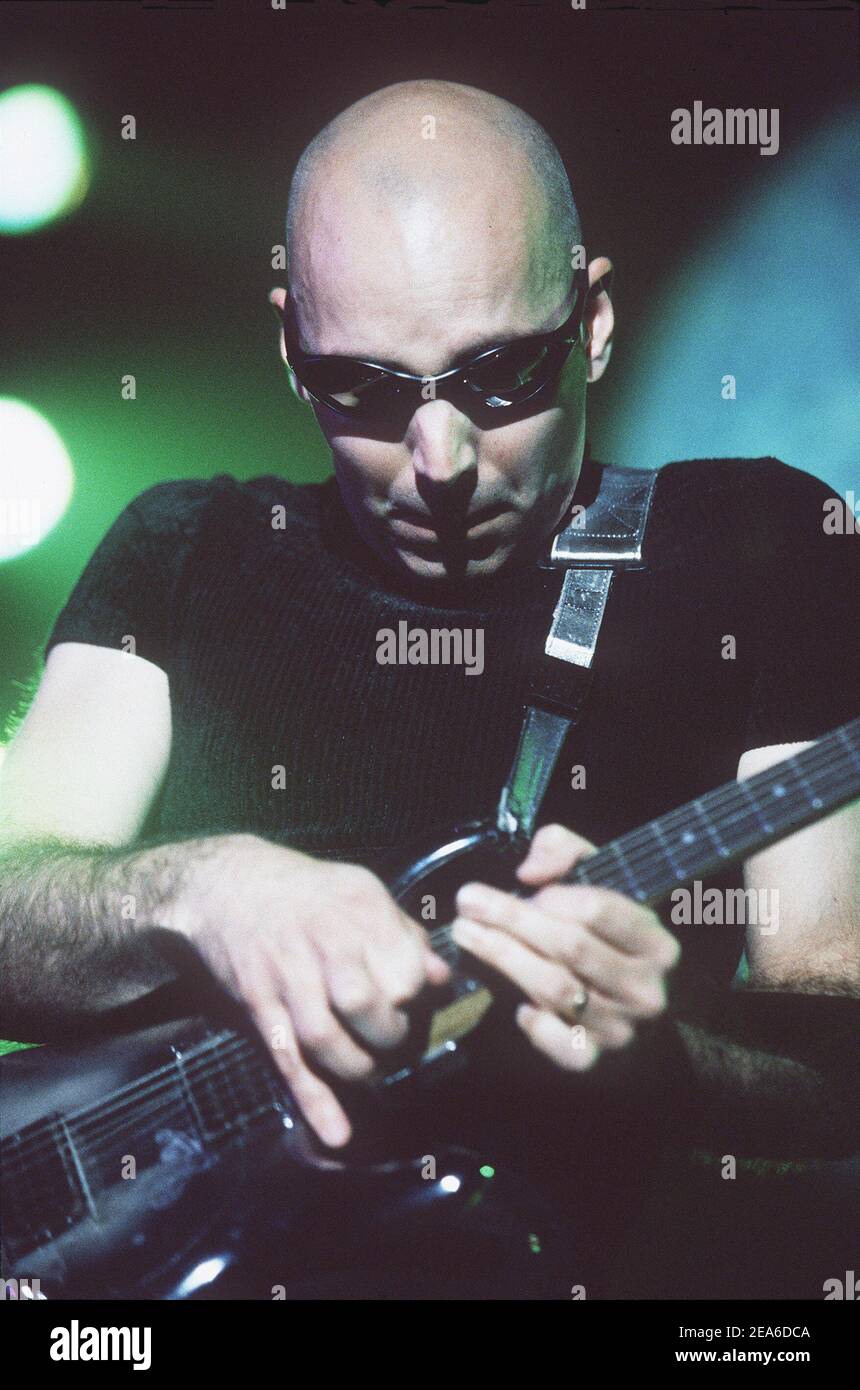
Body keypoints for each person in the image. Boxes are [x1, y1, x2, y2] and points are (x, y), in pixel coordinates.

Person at [1, 79, 857, 1297]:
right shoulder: (186, 545)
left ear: (592, 321)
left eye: (499, 375)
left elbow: (841, 1040)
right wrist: (203, 890)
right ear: (288, 344)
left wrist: (664, 1061)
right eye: (363, 388)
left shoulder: (757, 544)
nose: (438, 462)